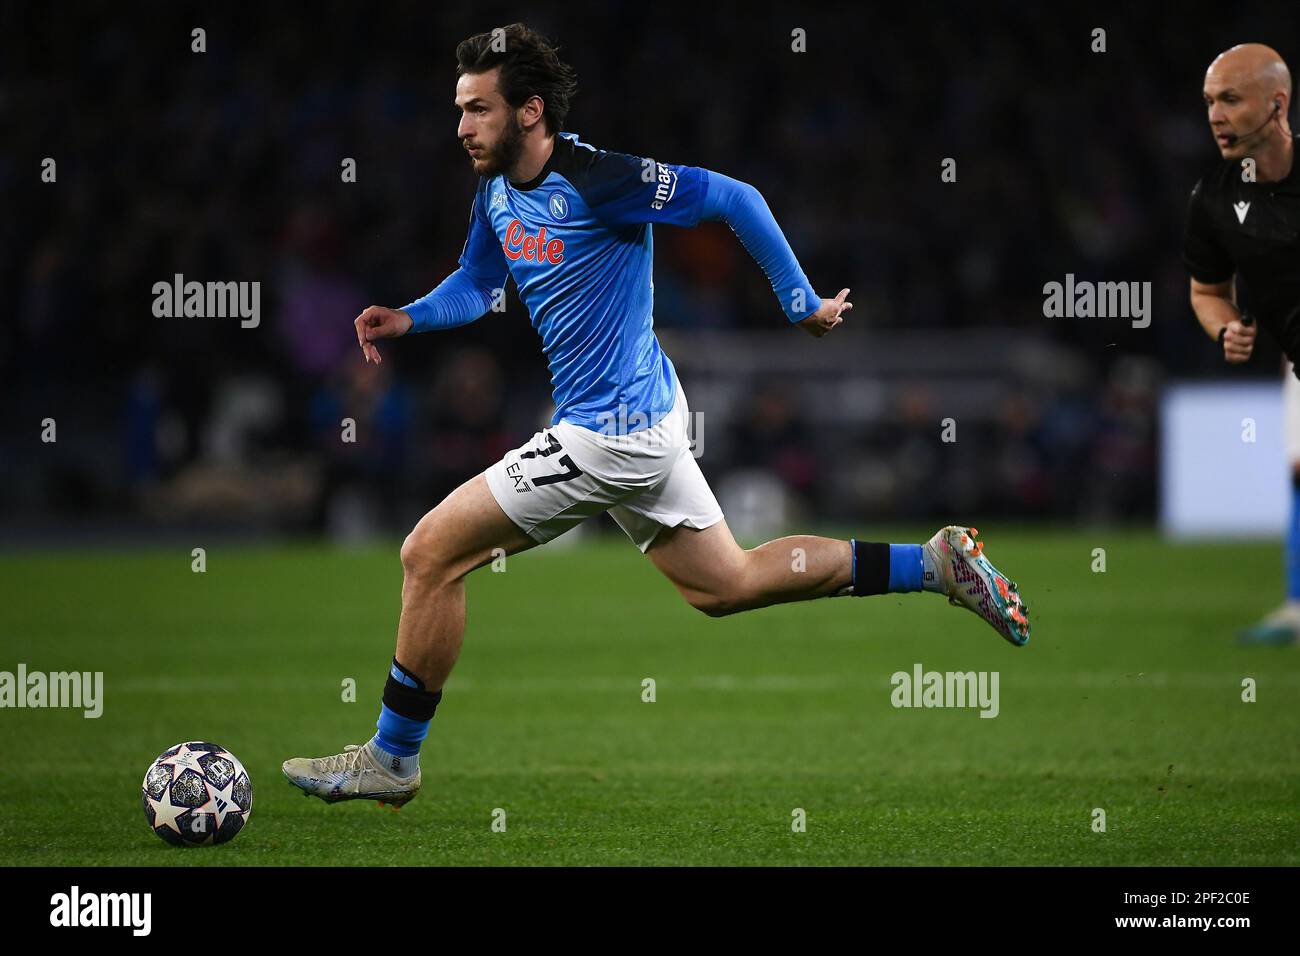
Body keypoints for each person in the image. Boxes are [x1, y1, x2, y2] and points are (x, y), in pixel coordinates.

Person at [283, 23, 1031, 808]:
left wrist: (799, 301)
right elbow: (476, 282)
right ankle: (934, 563)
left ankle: (393, 758)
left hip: (609, 436)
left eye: (478, 110)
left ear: (529, 111)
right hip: (641, 419)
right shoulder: (496, 187)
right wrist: (409, 317)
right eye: (460, 109)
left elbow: (737, 198)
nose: (461, 127)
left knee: (428, 553)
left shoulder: (603, 180)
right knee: (726, 584)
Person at [1182, 43, 1300, 645]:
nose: (1215, 115)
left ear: (1277, 104)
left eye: (1230, 99)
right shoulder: (1214, 199)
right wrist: (1226, 326)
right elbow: (1208, 290)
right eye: (1209, 102)